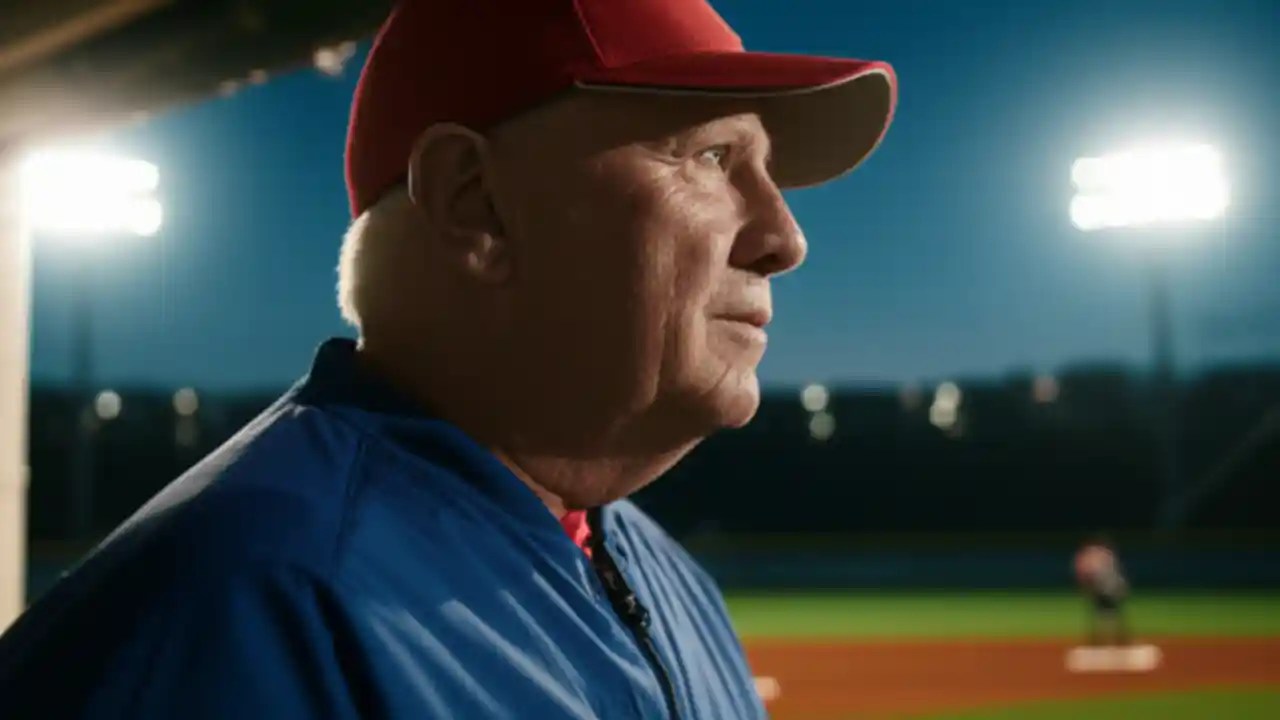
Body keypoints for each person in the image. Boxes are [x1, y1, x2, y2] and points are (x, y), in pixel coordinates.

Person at [0, 0, 895, 716]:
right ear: (475, 204)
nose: (784, 237)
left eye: (766, 172)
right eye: (709, 157)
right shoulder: (239, 605)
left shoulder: (669, 578)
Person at [1074, 534, 1131, 647]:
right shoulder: (1105, 554)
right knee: (1110, 613)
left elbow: (1085, 571)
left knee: (1105, 613)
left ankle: (1102, 639)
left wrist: (1085, 585)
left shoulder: (1091, 554)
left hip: (1104, 586)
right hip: (1108, 586)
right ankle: (1115, 639)